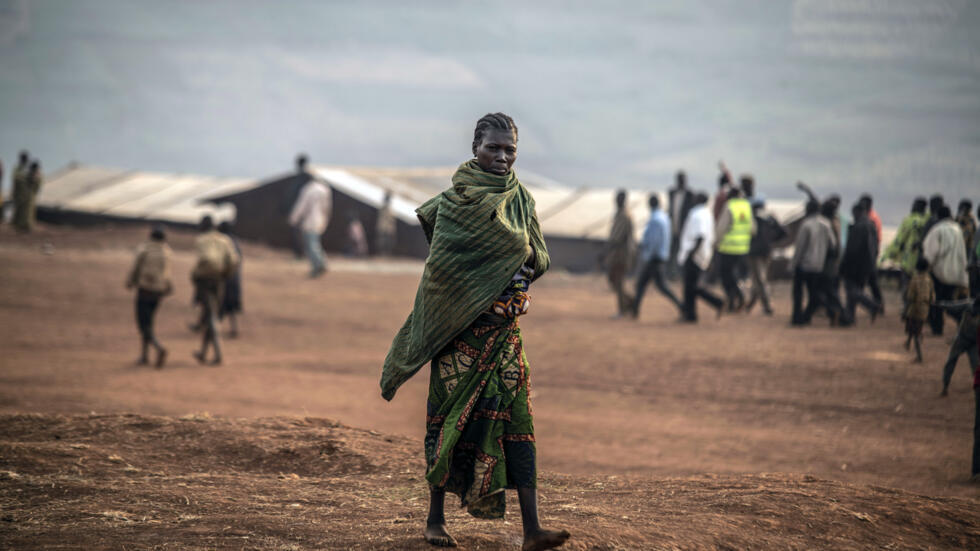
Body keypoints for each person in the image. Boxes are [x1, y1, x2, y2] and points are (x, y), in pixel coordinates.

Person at [379, 113, 569, 551]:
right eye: (494, 148)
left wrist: (517, 283)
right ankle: (434, 519)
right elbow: (444, 272)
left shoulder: (522, 199)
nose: (502, 157)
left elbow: (538, 255)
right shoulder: (454, 204)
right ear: (475, 148)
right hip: (460, 336)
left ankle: (532, 530)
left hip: (505, 335)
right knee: (447, 424)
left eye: (510, 150)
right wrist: (486, 290)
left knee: (519, 424)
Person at [191, 216, 240, 365]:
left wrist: (195, 275)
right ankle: (204, 352)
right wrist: (226, 274)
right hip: (220, 279)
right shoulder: (224, 240)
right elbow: (233, 260)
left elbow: (203, 260)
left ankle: (218, 354)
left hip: (205, 280)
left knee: (211, 316)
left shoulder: (202, 240)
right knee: (210, 313)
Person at [126, 225, 173, 367]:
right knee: (149, 322)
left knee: (144, 324)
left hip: (145, 290)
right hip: (158, 291)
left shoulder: (144, 249)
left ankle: (158, 347)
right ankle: (144, 356)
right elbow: (167, 273)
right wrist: (167, 286)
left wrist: (130, 282)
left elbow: (136, 268)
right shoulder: (167, 252)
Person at [632, 193, 682, 318]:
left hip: (654, 257)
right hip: (660, 256)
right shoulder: (664, 217)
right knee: (644, 285)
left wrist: (647, 256)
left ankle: (682, 306)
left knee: (659, 286)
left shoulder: (655, 219)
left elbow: (653, 241)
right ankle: (634, 310)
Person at [678, 192, 724, 322]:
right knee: (690, 287)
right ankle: (690, 314)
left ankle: (717, 302)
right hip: (701, 254)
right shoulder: (705, 213)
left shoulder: (698, 215)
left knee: (691, 287)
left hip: (694, 256)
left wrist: (691, 254)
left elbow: (700, 236)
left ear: (699, 199)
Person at [922, 206, 968, 335]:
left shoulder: (937, 230)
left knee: (936, 302)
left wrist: (924, 267)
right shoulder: (957, 229)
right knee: (952, 303)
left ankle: (937, 328)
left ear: (938, 216)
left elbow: (930, 253)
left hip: (939, 272)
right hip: (956, 273)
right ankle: (962, 322)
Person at [791, 201, 837, 326]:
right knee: (814, 293)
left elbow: (800, 247)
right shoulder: (826, 224)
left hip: (804, 265)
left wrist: (793, 264)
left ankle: (797, 317)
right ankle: (814, 314)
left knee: (798, 293)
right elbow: (833, 244)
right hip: (818, 265)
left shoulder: (806, 225)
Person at [840, 203, 882, 323]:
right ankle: (850, 317)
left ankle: (872, 304)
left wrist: (844, 265)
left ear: (857, 212)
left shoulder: (859, 227)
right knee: (856, 289)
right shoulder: (871, 225)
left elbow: (852, 250)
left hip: (855, 265)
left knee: (852, 290)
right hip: (867, 265)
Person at [882, 197, 929, 304]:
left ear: (918, 207)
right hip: (924, 261)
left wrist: (888, 256)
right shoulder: (928, 221)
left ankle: (907, 307)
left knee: (907, 286)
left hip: (909, 260)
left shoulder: (910, 220)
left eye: (914, 204)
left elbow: (899, 240)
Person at [715, 187, 755, 312]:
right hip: (743, 247)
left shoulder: (729, 206)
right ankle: (735, 301)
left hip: (728, 247)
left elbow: (721, 228)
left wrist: (716, 242)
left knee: (726, 275)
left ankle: (737, 296)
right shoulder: (746, 206)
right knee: (736, 274)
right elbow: (753, 229)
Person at [745, 196, 786, 315]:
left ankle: (767, 305)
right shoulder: (769, 217)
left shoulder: (753, 217)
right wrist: (771, 240)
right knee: (758, 278)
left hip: (754, 252)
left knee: (760, 279)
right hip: (767, 251)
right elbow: (783, 232)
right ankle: (750, 304)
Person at [600, 190, 636, 318]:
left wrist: (605, 252)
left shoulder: (624, 216)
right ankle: (630, 302)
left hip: (621, 255)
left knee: (618, 281)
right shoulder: (619, 214)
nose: (617, 201)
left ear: (623, 200)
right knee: (614, 280)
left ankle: (623, 309)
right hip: (617, 254)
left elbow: (616, 238)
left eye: (619, 199)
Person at [289, 171, 332, 277]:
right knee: (315, 243)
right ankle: (321, 263)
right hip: (320, 220)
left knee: (311, 244)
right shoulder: (325, 189)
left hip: (309, 221)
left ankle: (318, 265)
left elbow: (302, 205)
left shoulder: (309, 189)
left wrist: (294, 218)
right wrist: (325, 220)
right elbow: (327, 208)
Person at [937, 296, 979, 397]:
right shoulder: (968, 305)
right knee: (951, 361)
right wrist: (941, 304)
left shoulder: (969, 306)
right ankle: (945, 386)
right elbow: (953, 306)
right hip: (961, 339)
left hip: (973, 343)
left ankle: (977, 392)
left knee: (975, 367)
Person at [904, 258, 934, 363]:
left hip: (914, 309)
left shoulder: (914, 279)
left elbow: (910, 296)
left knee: (913, 330)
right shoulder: (929, 279)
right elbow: (932, 296)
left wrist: (906, 308)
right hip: (924, 310)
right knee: (916, 328)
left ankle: (919, 356)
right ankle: (909, 342)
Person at [858, 194, 884, 312]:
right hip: (870, 255)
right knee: (871, 282)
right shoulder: (869, 217)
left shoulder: (871, 219)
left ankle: (876, 305)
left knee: (866, 282)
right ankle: (878, 305)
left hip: (869, 255)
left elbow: (873, 240)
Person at [217, 221, 243, 339]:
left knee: (219, 305)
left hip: (226, 278)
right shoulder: (235, 241)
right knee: (230, 307)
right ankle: (233, 329)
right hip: (234, 278)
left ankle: (213, 330)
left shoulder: (222, 242)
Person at [667, 171, 693, 278]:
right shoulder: (672, 193)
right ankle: (671, 274)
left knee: (682, 253)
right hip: (672, 227)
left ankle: (681, 274)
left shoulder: (690, 195)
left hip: (684, 229)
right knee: (671, 251)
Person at [12, 154, 39, 232]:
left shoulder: (25, 170)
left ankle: (26, 226)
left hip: (28, 194)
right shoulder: (20, 169)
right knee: (23, 210)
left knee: (28, 211)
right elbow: (17, 180)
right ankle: (21, 225)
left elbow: (35, 183)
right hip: (23, 193)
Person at [375, 190, 397, 256]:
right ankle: (383, 253)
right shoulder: (385, 208)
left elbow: (390, 220)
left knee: (387, 241)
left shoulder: (388, 208)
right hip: (384, 227)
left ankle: (385, 253)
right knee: (383, 241)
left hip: (386, 227)